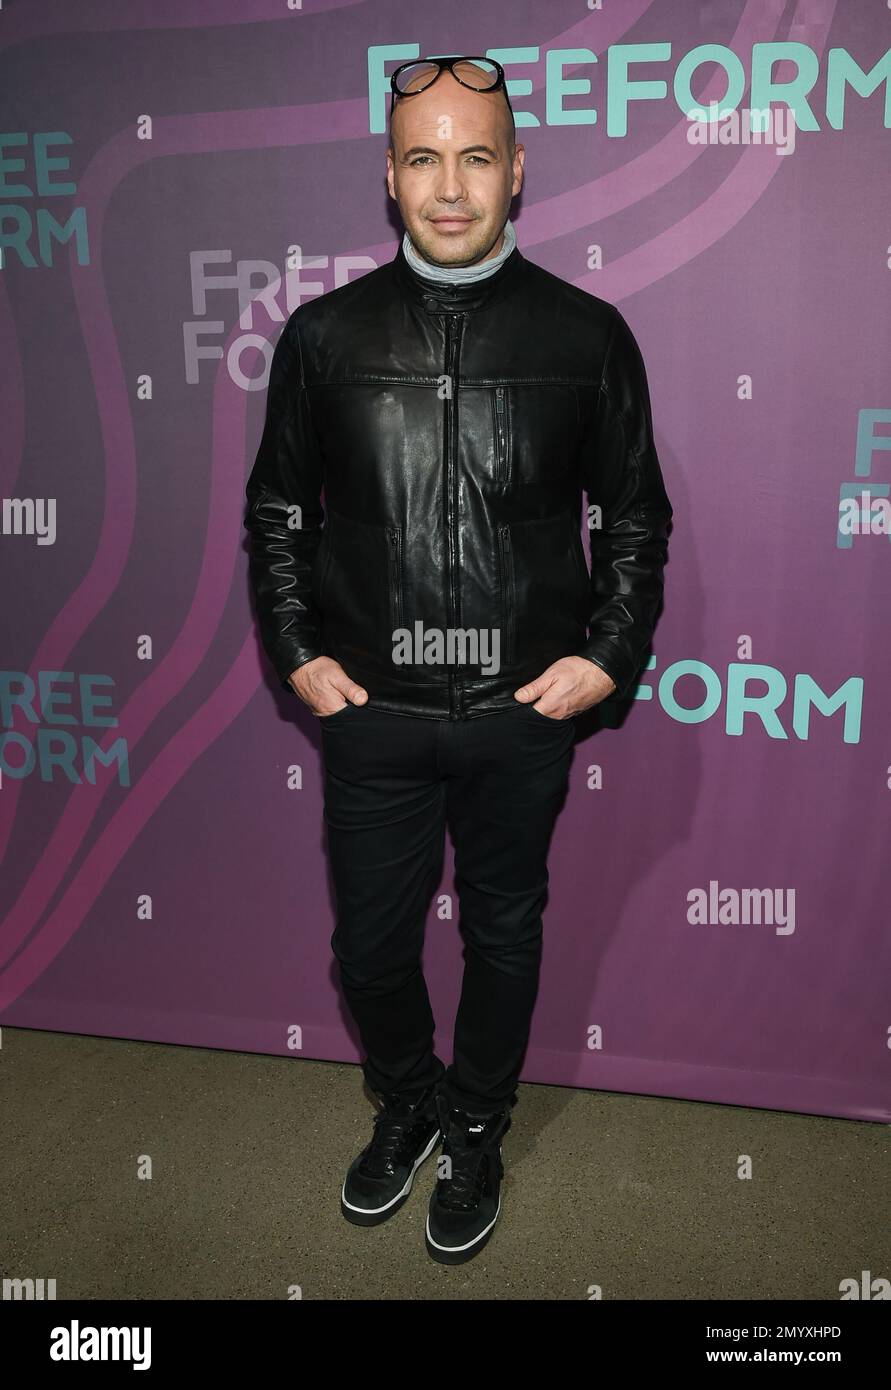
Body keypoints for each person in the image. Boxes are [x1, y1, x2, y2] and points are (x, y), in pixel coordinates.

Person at [244, 56, 673, 1265]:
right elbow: (279, 512)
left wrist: (607, 654)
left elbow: (635, 518)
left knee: (504, 935)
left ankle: (477, 1124)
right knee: (370, 951)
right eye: (423, 158)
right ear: (389, 177)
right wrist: (297, 649)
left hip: (520, 710)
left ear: (516, 171)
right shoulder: (323, 337)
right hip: (373, 709)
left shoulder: (589, 335)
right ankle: (409, 1100)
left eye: (475, 156)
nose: (449, 186)